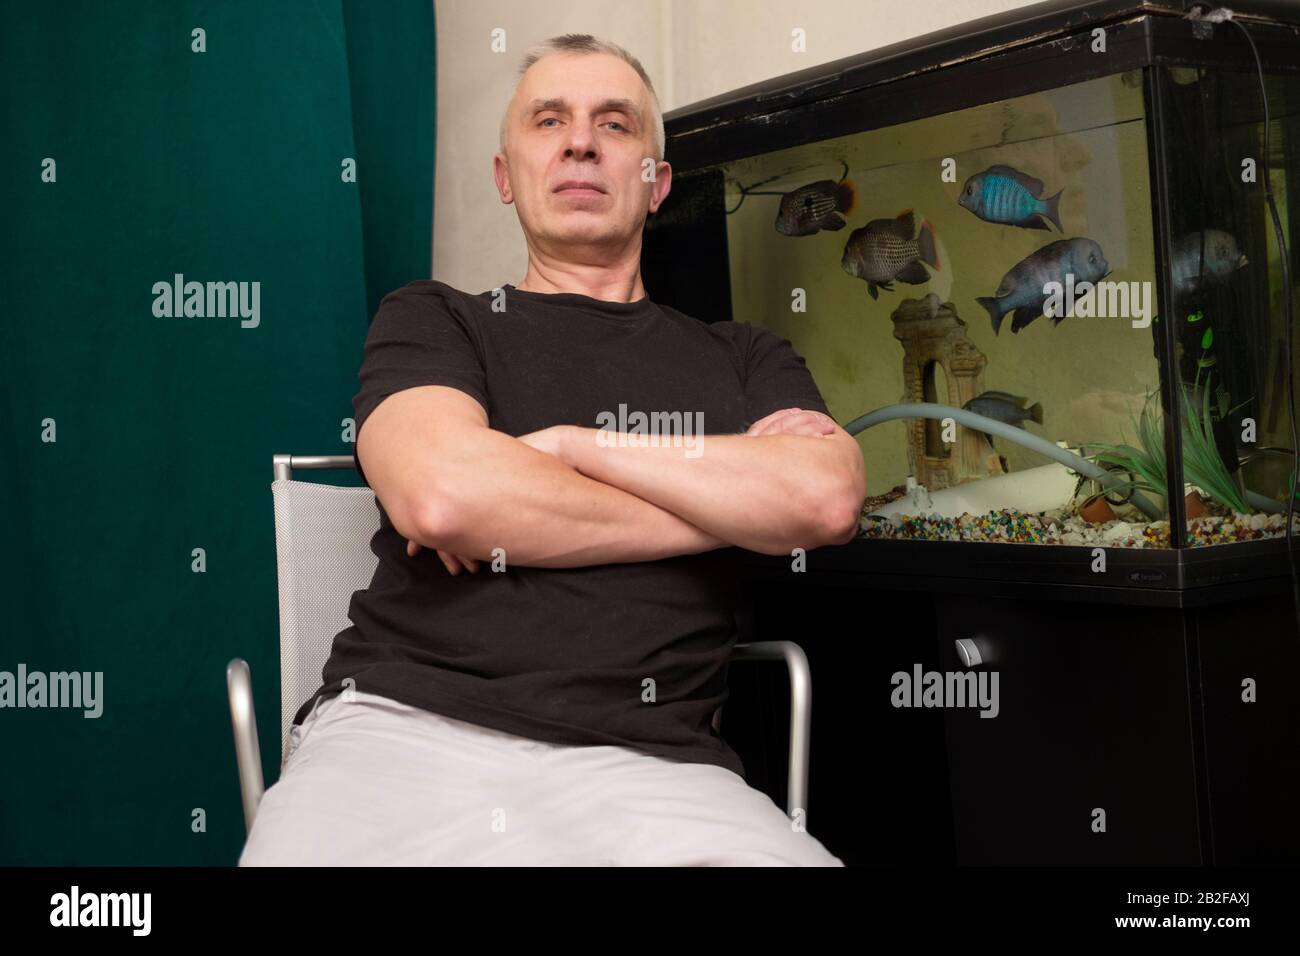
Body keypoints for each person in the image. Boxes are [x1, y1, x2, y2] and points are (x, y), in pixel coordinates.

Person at [239, 33, 864, 867]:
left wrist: (569, 447)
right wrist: (725, 509)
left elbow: (824, 499)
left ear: (657, 184)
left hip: (660, 767)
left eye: (615, 123)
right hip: (402, 729)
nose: (580, 141)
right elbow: (444, 499)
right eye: (548, 121)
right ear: (505, 177)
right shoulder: (434, 318)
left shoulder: (746, 357)